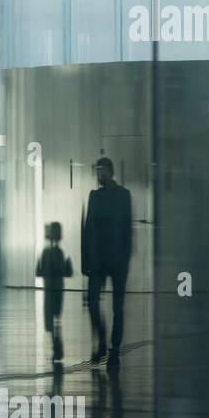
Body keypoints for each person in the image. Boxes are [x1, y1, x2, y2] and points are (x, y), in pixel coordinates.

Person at [81, 156, 132, 365]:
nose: (99, 175)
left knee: (117, 307)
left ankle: (114, 347)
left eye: (101, 170)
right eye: (97, 171)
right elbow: (87, 229)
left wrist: (125, 258)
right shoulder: (94, 196)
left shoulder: (123, 195)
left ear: (110, 172)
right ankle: (102, 341)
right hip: (98, 260)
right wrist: (85, 260)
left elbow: (127, 230)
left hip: (117, 260)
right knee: (92, 302)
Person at [35, 221, 73, 365]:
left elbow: (39, 272)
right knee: (57, 318)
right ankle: (57, 345)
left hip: (49, 289)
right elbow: (66, 272)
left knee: (51, 319)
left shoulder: (46, 252)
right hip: (58, 288)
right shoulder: (59, 252)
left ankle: (56, 346)